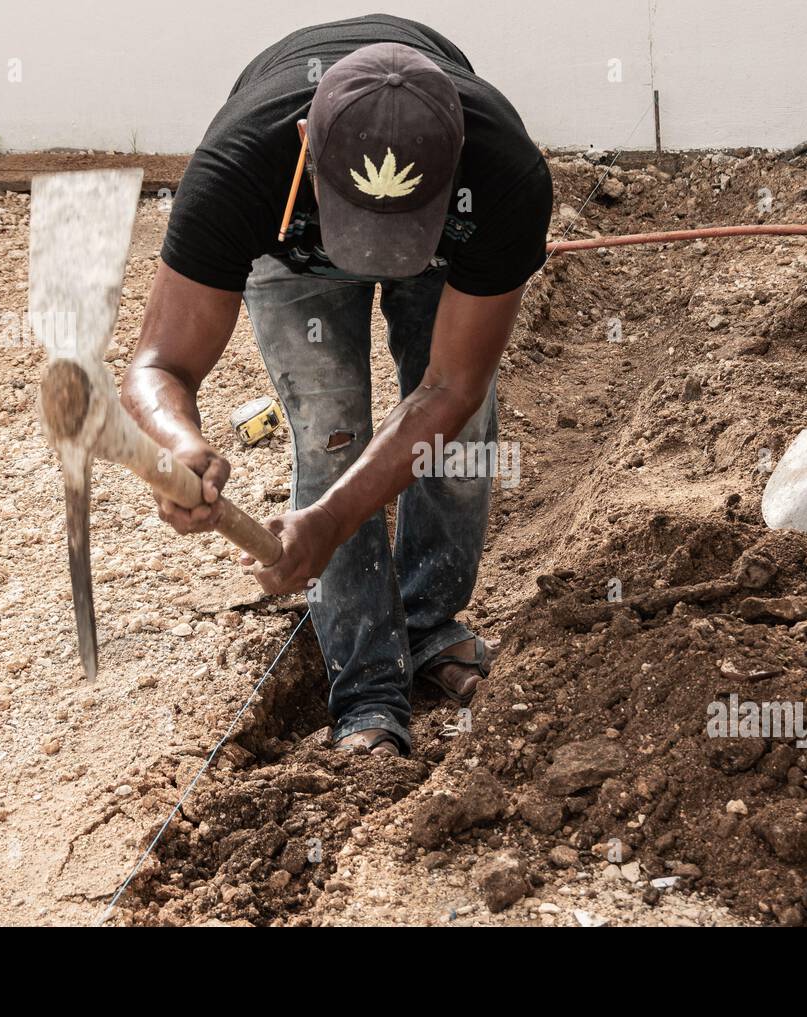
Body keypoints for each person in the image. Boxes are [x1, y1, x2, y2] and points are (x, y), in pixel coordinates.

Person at [121, 14, 552, 757]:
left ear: (454, 165)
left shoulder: (504, 175)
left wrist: (329, 521)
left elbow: (450, 387)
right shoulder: (239, 171)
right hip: (290, 257)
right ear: (306, 152)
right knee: (332, 433)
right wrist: (178, 443)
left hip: (451, 251)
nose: (380, 259)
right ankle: (367, 692)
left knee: (459, 436)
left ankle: (427, 625)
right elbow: (159, 364)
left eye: (398, 232)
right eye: (363, 227)